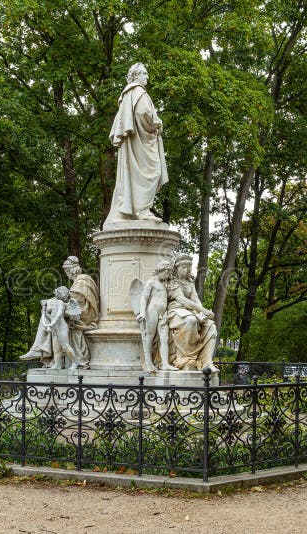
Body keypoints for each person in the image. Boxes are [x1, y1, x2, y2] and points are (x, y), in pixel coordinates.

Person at [105, 63, 168, 223]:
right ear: (135, 76)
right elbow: (143, 113)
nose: (147, 77)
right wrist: (156, 124)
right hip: (142, 142)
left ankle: (135, 209)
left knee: (134, 174)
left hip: (135, 142)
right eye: (144, 73)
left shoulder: (128, 94)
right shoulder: (139, 92)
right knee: (153, 172)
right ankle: (143, 209)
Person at [165, 254, 219, 372]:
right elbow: (182, 300)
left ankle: (207, 362)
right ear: (176, 268)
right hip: (175, 312)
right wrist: (202, 311)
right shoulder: (173, 282)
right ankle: (187, 359)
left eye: (189, 267)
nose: (187, 270)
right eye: (184, 267)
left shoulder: (189, 283)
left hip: (189, 311)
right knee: (191, 320)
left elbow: (195, 300)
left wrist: (202, 313)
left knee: (210, 326)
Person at [21, 286, 82, 370]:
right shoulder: (55, 302)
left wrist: (52, 323)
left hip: (61, 327)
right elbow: (49, 315)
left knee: (65, 346)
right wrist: (44, 311)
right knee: (56, 349)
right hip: (55, 328)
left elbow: (59, 314)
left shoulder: (60, 302)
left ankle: (75, 362)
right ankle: (57, 365)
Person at [133, 260, 178, 371]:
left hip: (163, 314)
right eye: (167, 273)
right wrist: (142, 312)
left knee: (164, 338)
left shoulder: (165, 283)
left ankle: (165, 363)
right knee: (150, 336)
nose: (168, 276)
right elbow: (144, 298)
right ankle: (148, 362)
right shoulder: (151, 282)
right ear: (161, 270)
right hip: (152, 311)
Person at [62, 256, 99, 369]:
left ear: (69, 271)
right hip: (86, 311)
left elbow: (75, 304)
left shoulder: (79, 283)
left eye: (66, 271)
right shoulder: (85, 279)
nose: (66, 274)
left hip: (85, 314)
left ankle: (78, 359)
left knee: (63, 323)